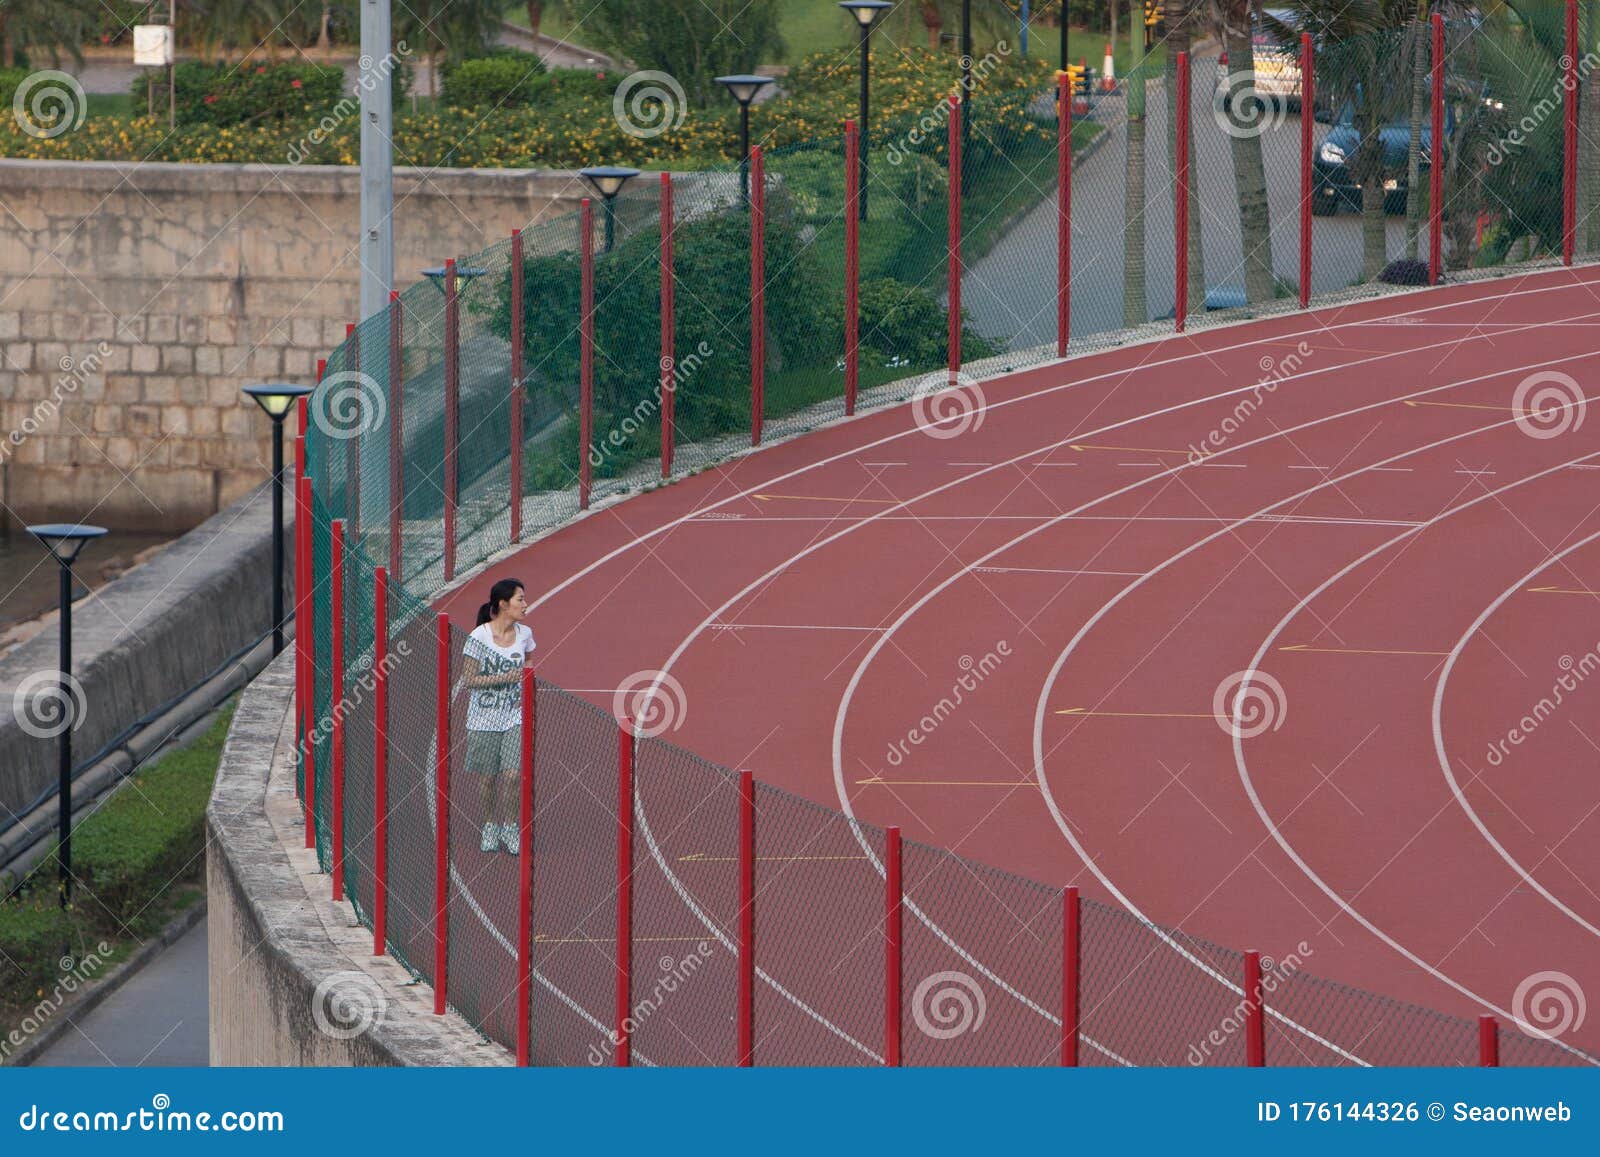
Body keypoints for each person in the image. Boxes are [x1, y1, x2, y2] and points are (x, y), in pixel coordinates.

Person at [461, 578, 535, 854]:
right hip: (483, 718)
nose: (525, 605)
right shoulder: (479, 637)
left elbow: (529, 660)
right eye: (520, 600)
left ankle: (511, 826)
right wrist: (504, 678)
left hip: (513, 716)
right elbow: (468, 679)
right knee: (488, 778)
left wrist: (526, 676)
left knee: (513, 774)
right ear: (503, 604)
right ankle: (490, 825)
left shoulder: (525, 634)